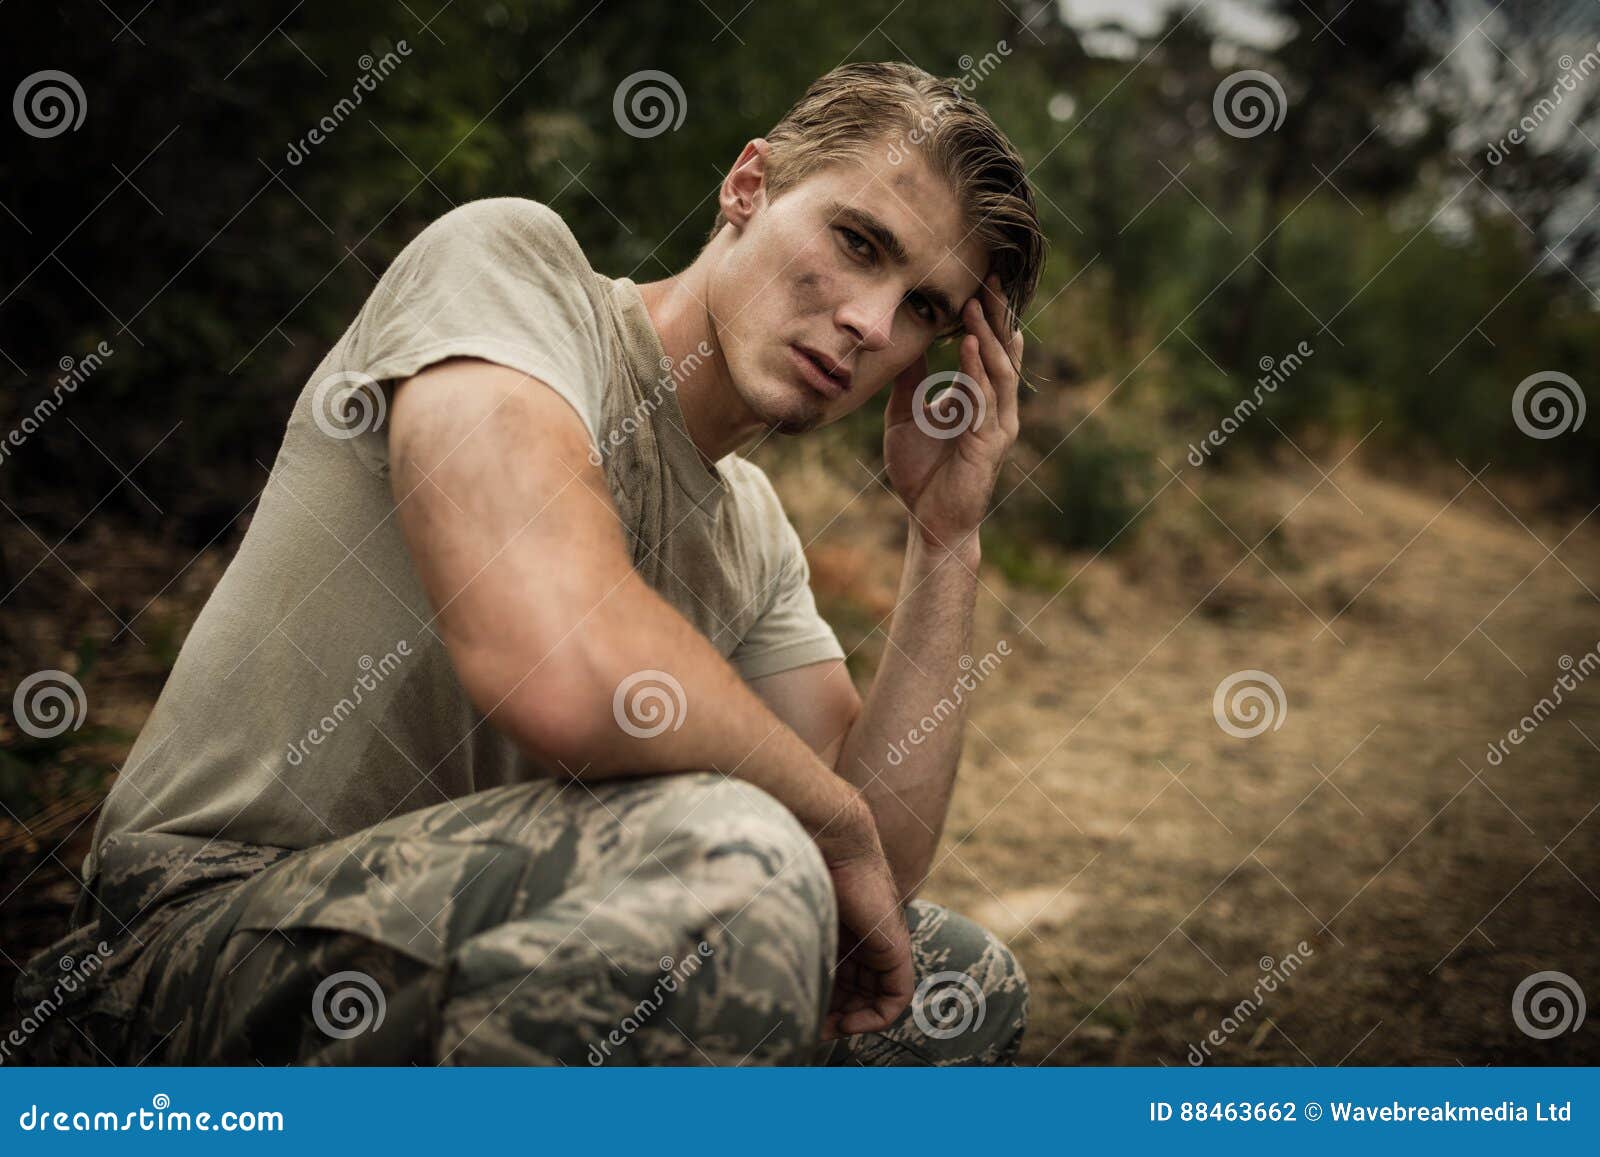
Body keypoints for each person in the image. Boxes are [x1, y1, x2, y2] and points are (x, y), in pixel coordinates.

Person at [13, 60, 1045, 1066]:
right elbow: (557, 660)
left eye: (922, 310)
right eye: (858, 241)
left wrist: (945, 535)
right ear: (747, 185)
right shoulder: (512, 274)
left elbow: (869, 887)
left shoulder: (753, 532)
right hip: (178, 958)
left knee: (955, 985)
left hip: (456, 948)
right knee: (739, 859)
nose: (871, 322)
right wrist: (829, 819)